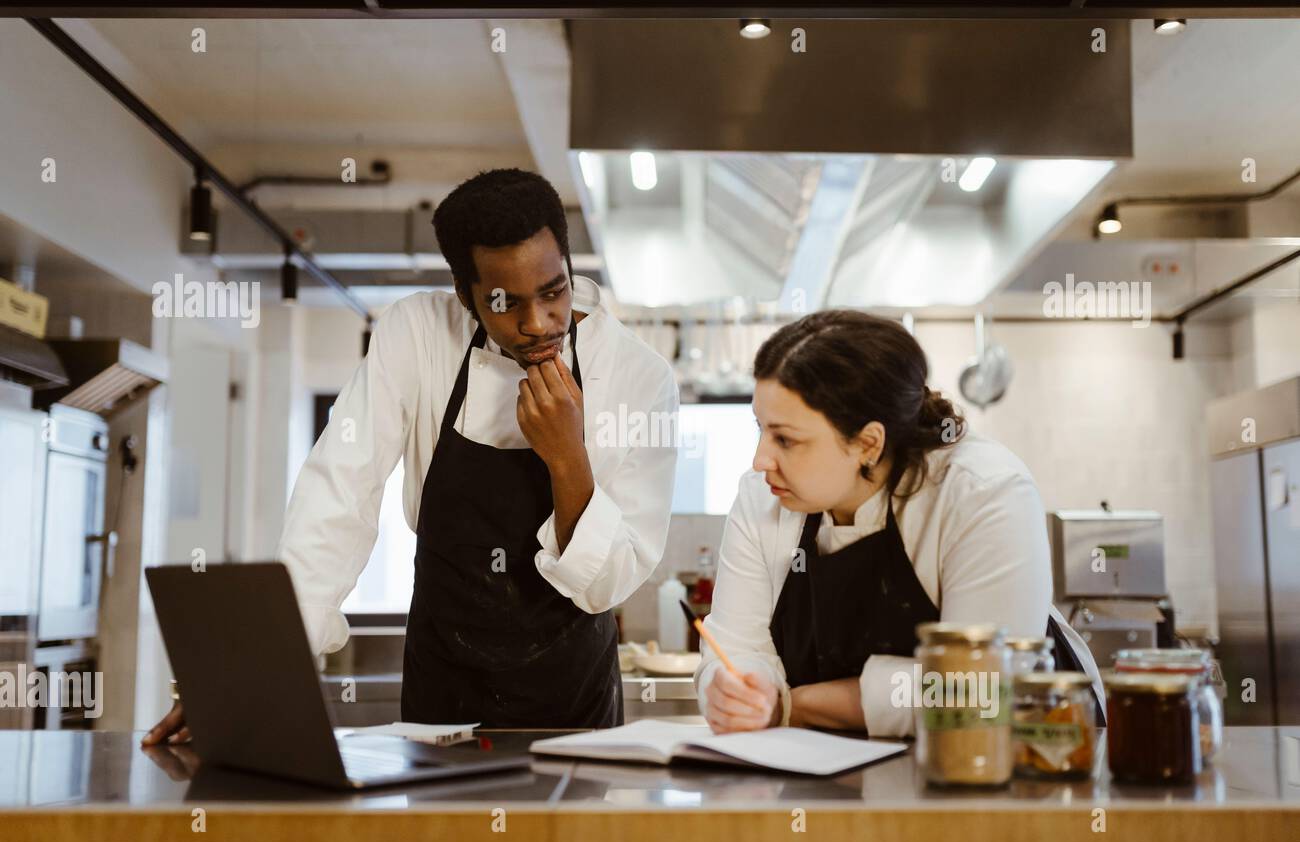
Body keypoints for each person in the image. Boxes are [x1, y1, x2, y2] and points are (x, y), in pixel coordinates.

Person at [145, 169, 678, 744]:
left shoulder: (636, 377)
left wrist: (567, 457)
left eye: (553, 291)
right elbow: (338, 494)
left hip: (572, 710)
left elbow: (608, 584)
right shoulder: (417, 335)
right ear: (464, 294)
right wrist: (253, 675)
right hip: (440, 696)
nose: (536, 323)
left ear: (570, 267)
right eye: (505, 303)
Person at [696, 309, 1101, 736]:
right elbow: (734, 646)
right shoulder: (762, 495)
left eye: (785, 439)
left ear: (868, 443)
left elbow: (980, 690)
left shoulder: (982, 491)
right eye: (759, 429)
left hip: (1013, 754)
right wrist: (739, 691)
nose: (760, 460)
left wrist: (794, 704)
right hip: (822, 770)